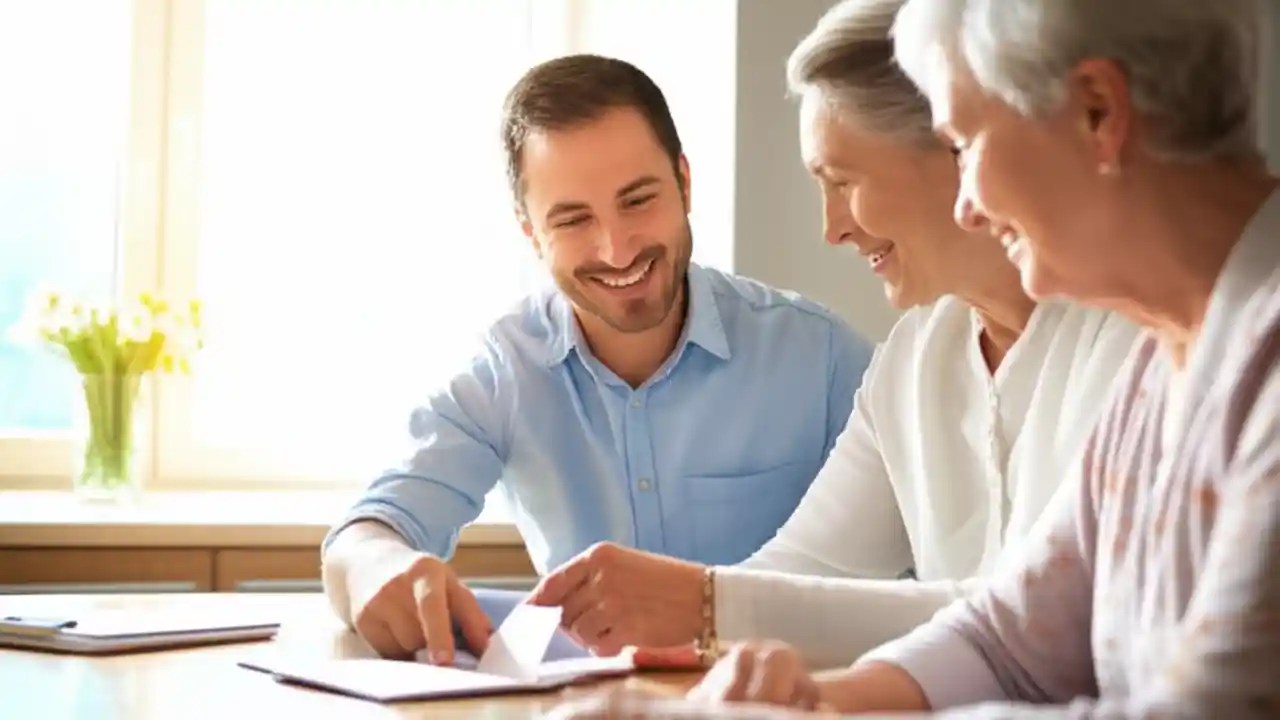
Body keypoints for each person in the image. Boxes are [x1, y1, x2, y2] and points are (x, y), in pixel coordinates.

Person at [554, 0, 1280, 716]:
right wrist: (797, 706)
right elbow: (1009, 638)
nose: (970, 206)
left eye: (966, 145)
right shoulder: (1169, 353)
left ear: (1098, 112)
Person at [319, 54, 875, 665]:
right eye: (573, 219)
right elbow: (367, 531)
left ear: (685, 183)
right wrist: (377, 567)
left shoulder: (820, 358)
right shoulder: (505, 372)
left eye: (637, 201)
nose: (616, 249)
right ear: (531, 232)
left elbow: (917, 586)